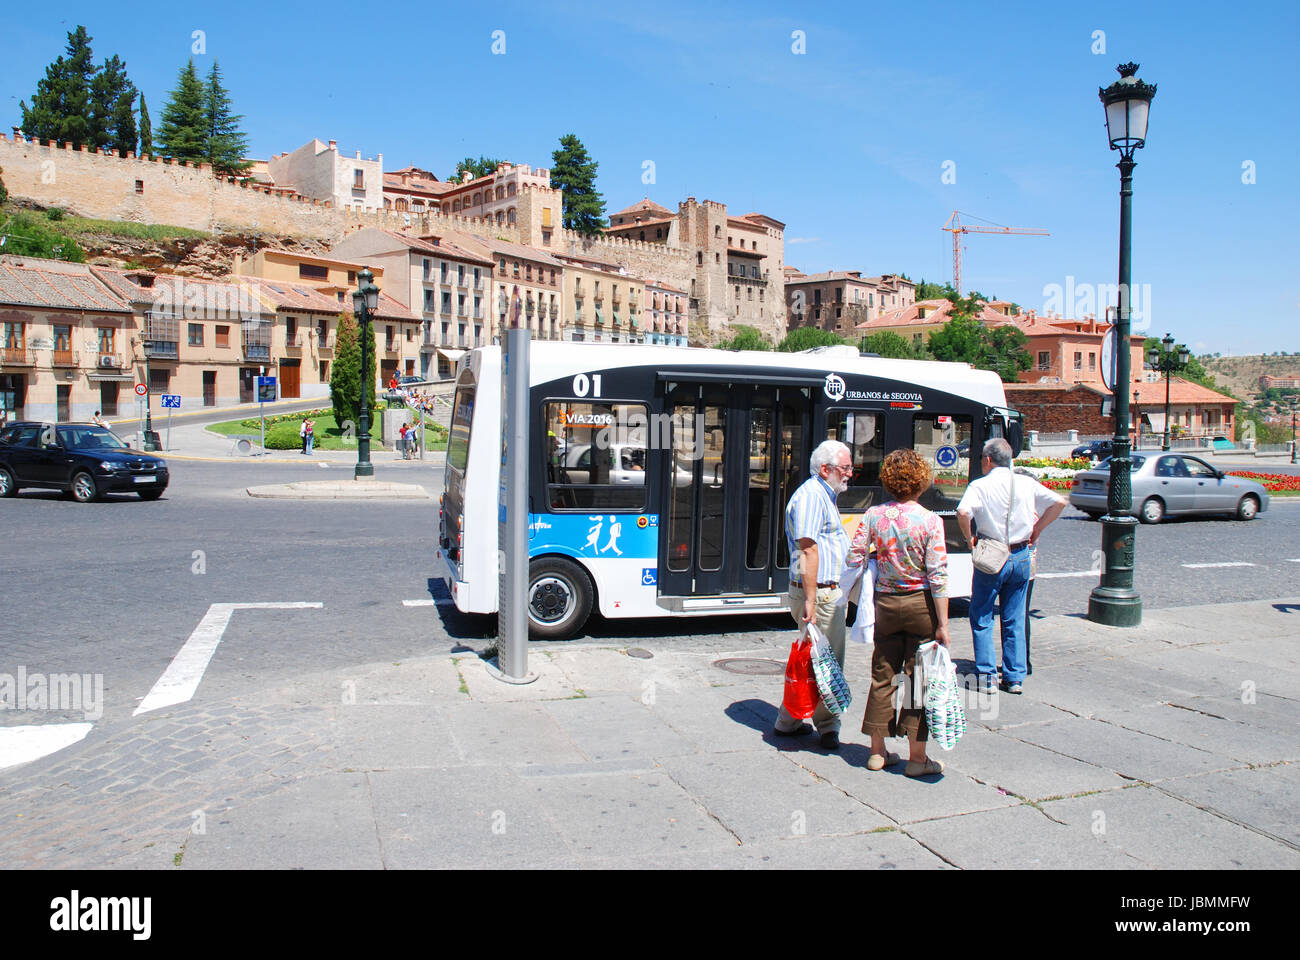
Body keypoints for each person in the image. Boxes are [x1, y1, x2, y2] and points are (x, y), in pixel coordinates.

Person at [848, 448, 951, 778]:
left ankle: (877, 752)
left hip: (886, 604)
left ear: (889, 481)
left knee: (882, 674)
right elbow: (938, 575)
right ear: (921, 481)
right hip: (920, 605)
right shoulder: (931, 521)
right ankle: (917, 758)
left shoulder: (874, 516)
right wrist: (944, 624)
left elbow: (854, 558)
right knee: (919, 680)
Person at [956, 439, 1066, 694]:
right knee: (1014, 616)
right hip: (1021, 554)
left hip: (992, 554)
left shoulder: (980, 485)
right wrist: (1036, 530)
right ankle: (1014, 676)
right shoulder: (1026, 483)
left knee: (982, 615)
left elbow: (963, 512)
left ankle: (986, 677)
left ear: (987, 460)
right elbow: (1059, 502)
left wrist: (969, 539)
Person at [773, 439, 853, 750]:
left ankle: (789, 719)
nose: (849, 474)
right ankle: (827, 726)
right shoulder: (810, 497)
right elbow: (808, 549)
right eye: (845, 468)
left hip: (821, 592)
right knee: (827, 662)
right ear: (825, 469)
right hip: (818, 594)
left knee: (813, 660)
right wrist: (810, 600)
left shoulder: (822, 494)